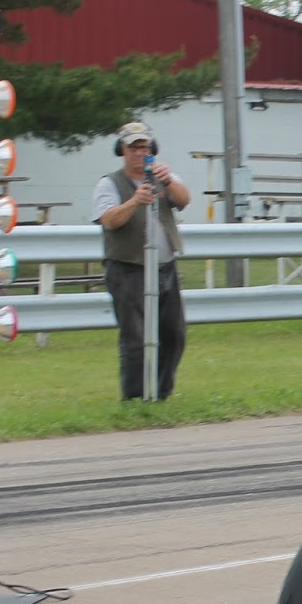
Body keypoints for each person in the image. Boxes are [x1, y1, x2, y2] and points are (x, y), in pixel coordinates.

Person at [93, 121, 191, 401]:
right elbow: (109, 220)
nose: (139, 153)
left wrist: (169, 182)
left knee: (173, 334)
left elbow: (184, 199)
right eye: (133, 148)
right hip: (128, 269)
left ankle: (161, 393)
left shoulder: (164, 176)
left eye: (144, 147)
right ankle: (135, 398)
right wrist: (135, 201)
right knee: (135, 338)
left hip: (164, 267)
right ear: (122, 151)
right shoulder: (109, 183)